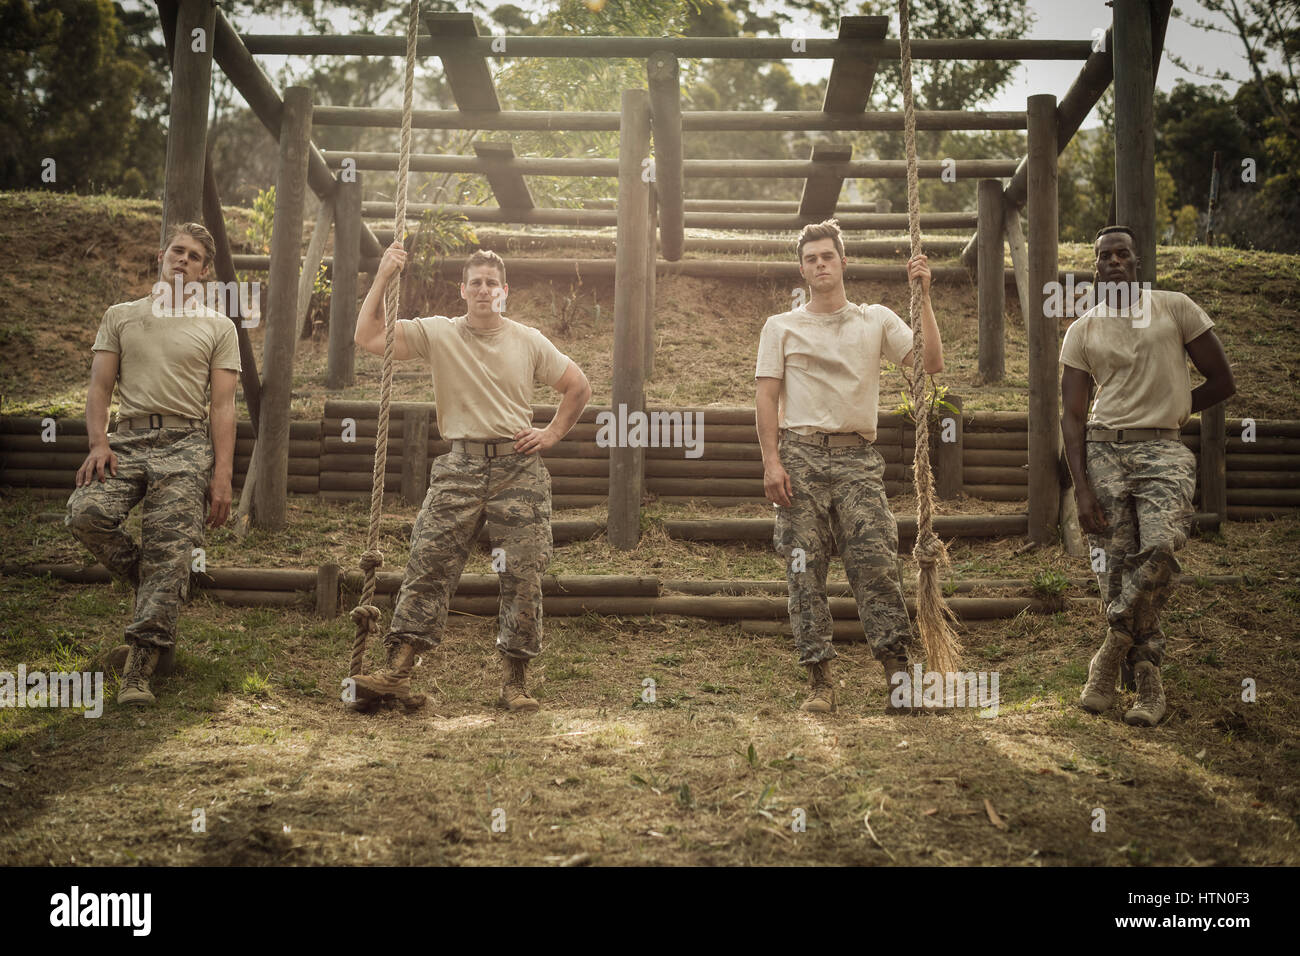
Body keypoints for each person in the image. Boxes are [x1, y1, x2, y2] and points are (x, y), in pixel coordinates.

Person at [350, 244, 591, 712]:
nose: (484, 290)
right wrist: (381, 276)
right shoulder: (438, 333)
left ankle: (515, 684)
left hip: (517, 467)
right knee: (429, 562)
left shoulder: (527, 340)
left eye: (492, 283)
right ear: (462, 290)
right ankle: (398, 671)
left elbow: (578, 386)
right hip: (459, 466)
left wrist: (551, 434)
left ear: (505, 292)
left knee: (522, 573)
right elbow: (369, 336)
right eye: (475, 282)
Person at [755, 218, 944, 714]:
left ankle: (898, 678)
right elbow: (766, 396)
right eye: (811, 258)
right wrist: (771, 461)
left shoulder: (875, 319)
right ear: (802, 270)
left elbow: (930, 363)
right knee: (804, 568)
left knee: (876, 563)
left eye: (828, 256)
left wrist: (922, 295)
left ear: (843, 262)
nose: (820, 264)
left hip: (857, 456)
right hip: (800, 454)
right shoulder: (781, 327)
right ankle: (820, 682)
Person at [1061, 224, 1235, 727]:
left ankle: (1111, 646)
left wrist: (1176, 407)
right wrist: (1082, 487)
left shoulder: (1174, 307)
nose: (1114, 261)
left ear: (1136, 261)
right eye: (1104, 256)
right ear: (1096, 267)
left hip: (1164, 451)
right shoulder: (1083, 329)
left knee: (1159, 550)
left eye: (1122, 253)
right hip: (1104, 452)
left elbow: (1222, 380)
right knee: (1114, 571)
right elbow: (1072, 415)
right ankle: (1147, 682)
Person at [66, 222, 240, 706]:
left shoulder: (218, 326)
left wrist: (221, 476)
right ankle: (164, 579)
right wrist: (98, 444)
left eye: (193, 257)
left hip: (185, 443)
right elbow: (100, 388)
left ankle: (139, 670)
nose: (182, 260)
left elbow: (224, 407)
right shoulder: (121, 316)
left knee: (171, 547)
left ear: (205, 272)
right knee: (85, 514)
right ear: (162, 256)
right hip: (126, 439)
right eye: (176, 251)